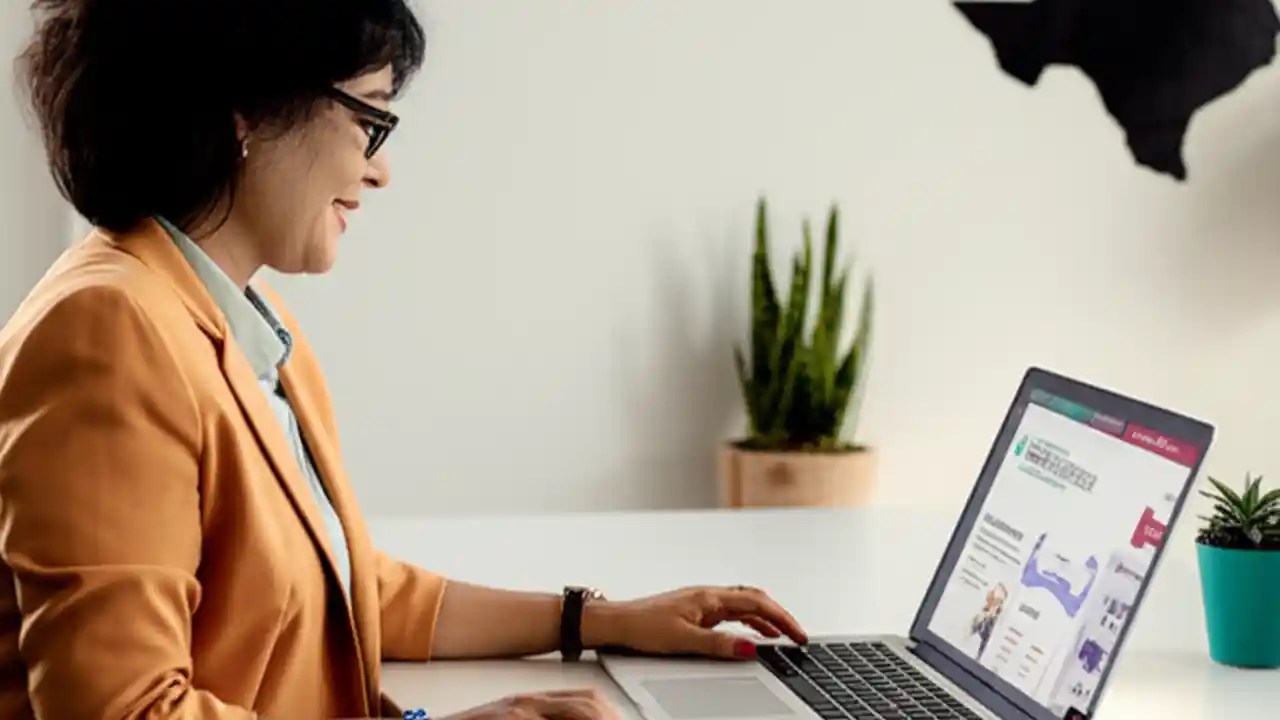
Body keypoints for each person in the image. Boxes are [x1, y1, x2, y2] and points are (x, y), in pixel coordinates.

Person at [0, 2, 808, 718]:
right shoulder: (110, 329)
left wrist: (596, 620)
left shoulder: (239, 318)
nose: (379, 169)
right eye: (369, 120)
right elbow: (119, 709)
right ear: (246, 105)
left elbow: (343, 590)